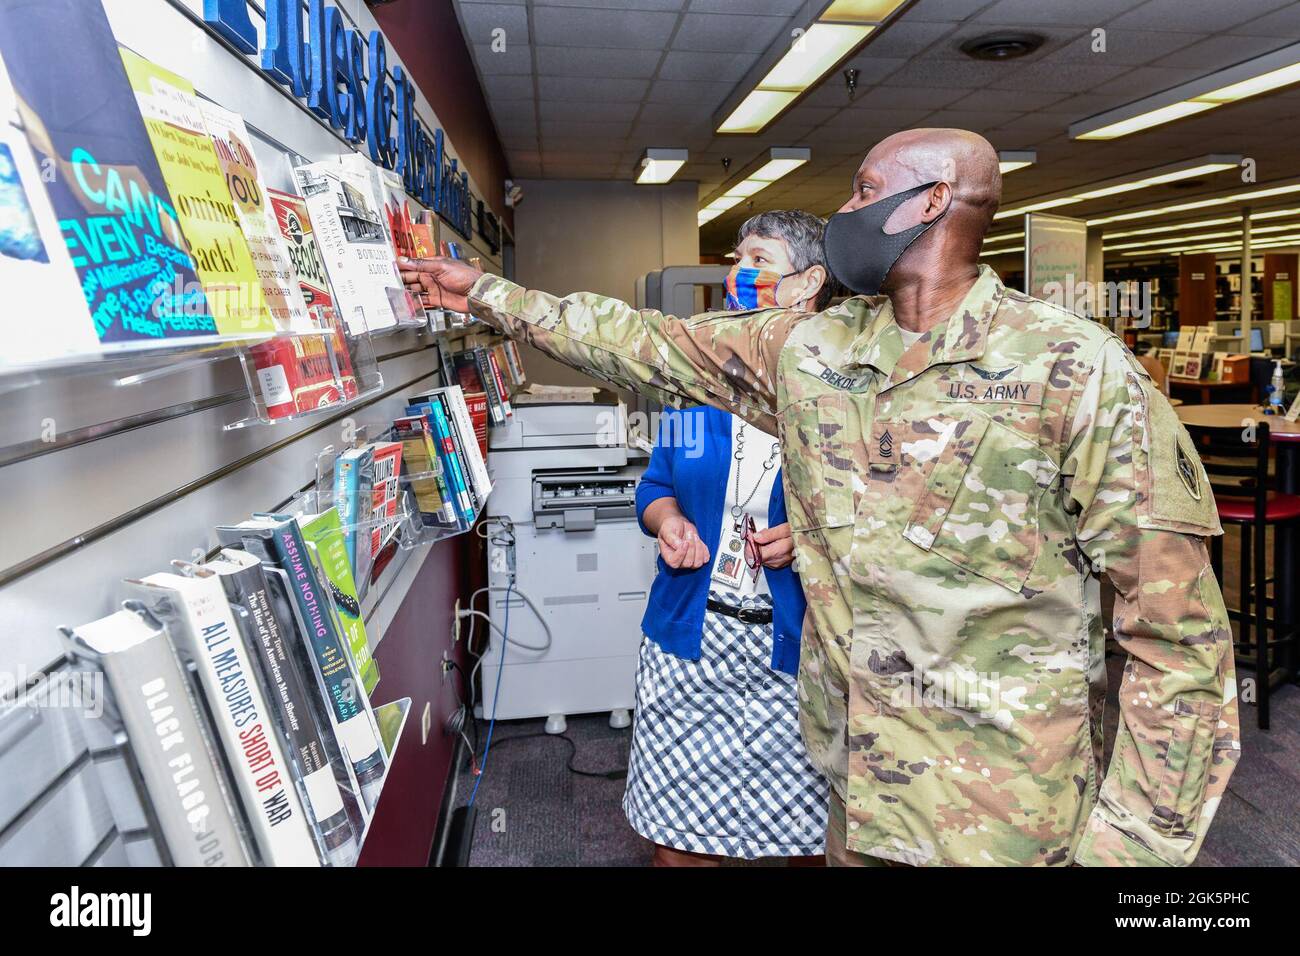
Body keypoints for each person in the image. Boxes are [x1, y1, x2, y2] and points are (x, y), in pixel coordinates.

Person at [400, 128, 1240, 868]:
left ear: (932, 203)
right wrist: (485, 295)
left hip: (1004, 814)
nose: (845, 208)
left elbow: (1178, 638)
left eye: (866, 191)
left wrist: (1134, 848)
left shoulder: (1073, 369)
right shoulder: (811, 347)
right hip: (855, 789)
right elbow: (646, 344)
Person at [626, 211, 831, 867]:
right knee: (676, 842)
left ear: (809, 283)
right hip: (691, 641)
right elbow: (656, 483)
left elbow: (887, 515)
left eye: (760, 260)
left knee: (802, 840)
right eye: (737, 258)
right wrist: (669, 521)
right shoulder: (702, 385)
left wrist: (810, 537)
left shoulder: (846, 390)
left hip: (793, 654)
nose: (740, 273)